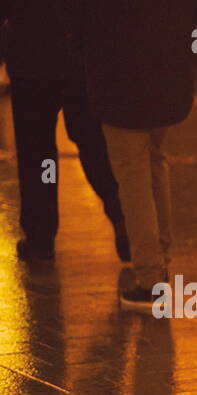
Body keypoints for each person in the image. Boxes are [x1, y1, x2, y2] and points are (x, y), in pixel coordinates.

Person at [61, 0, 197, 312]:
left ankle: (150, 280)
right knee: (155, 162)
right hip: (167, 73)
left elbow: (77, 15)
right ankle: (160, 263)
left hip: (117, 76)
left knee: (133, 176)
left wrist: (79, 47)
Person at [1, 0, 129, 265]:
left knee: (38, 154)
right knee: (94, 144)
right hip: (80, 60)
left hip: (31, 59)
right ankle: (122, 219)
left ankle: (40, 238)